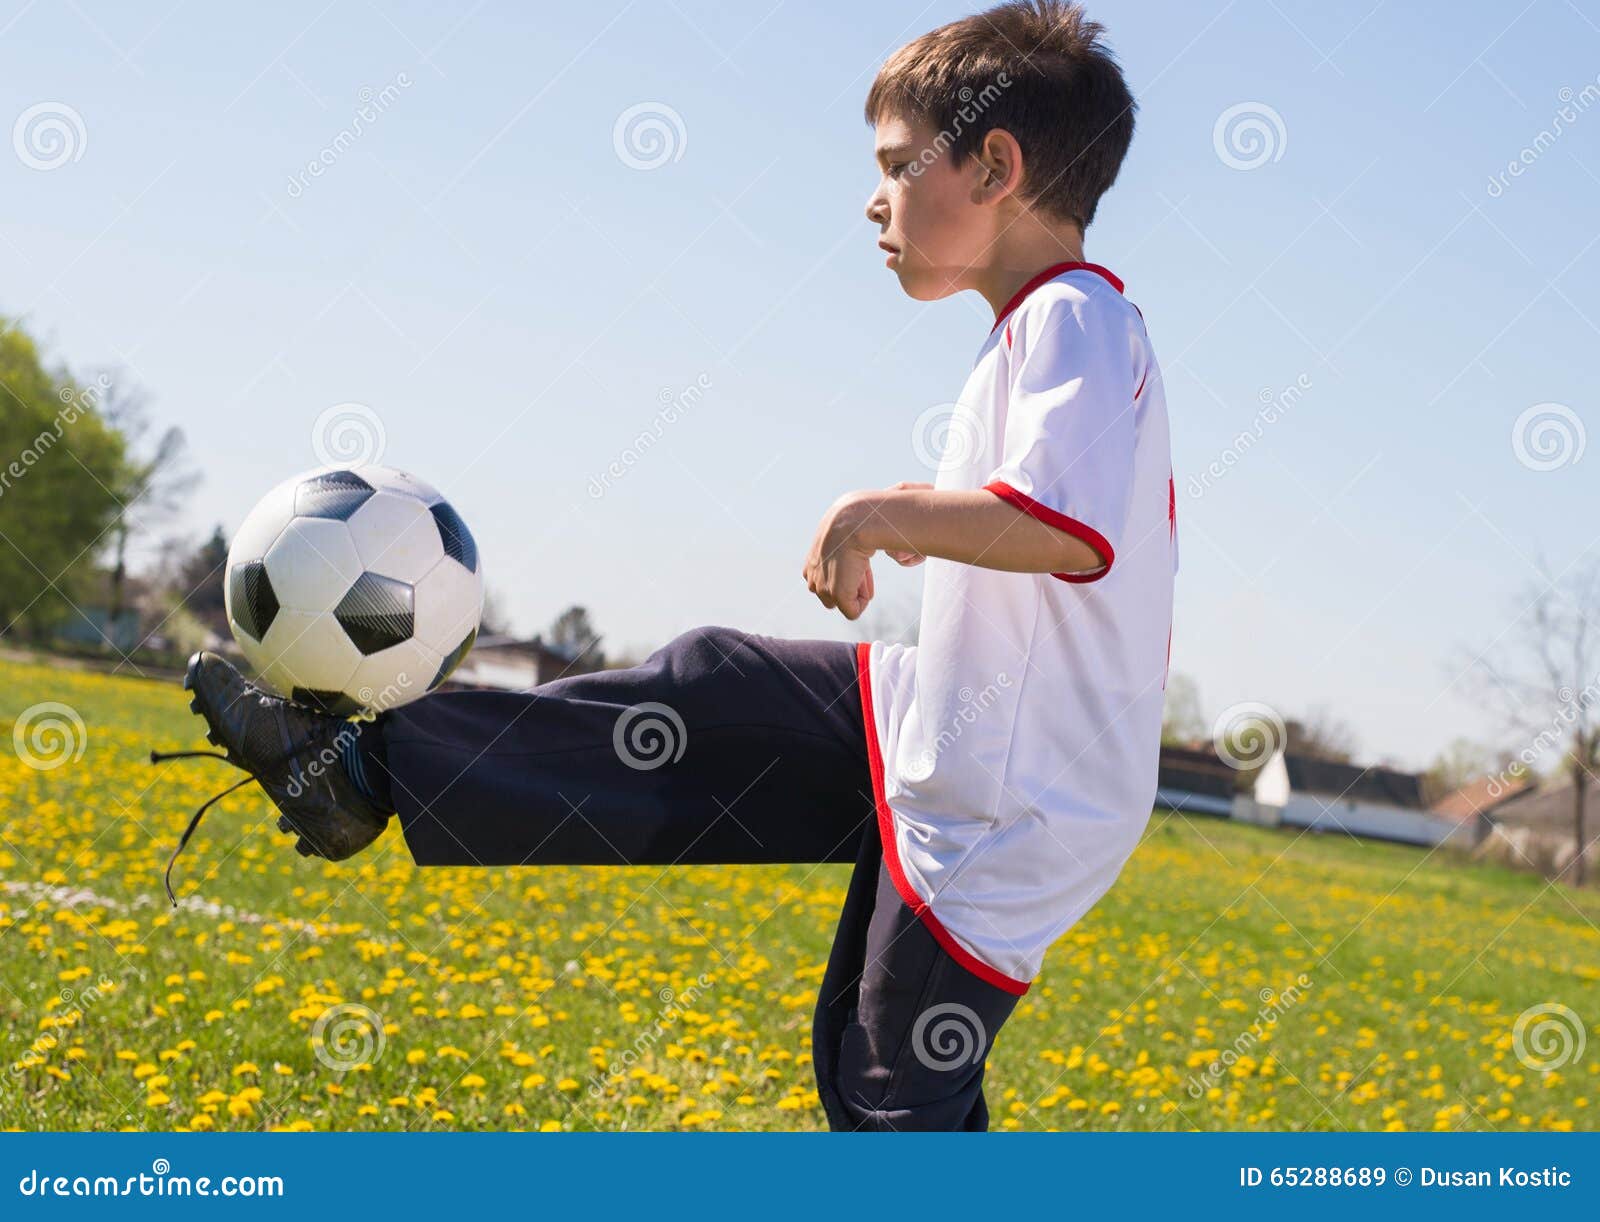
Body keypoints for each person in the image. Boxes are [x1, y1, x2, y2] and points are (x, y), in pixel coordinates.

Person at [179, 0, 1176, 1132]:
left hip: (1019, 788)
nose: (875, 196)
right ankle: (368, 779)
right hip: (948, 718)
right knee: (721, 688)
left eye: (900, 165)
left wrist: (874, 512)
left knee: (891, 1085)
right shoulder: (1043, 329)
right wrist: (905, 518)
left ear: (997, 167)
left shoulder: (1074, 324)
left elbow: (1066, 526)